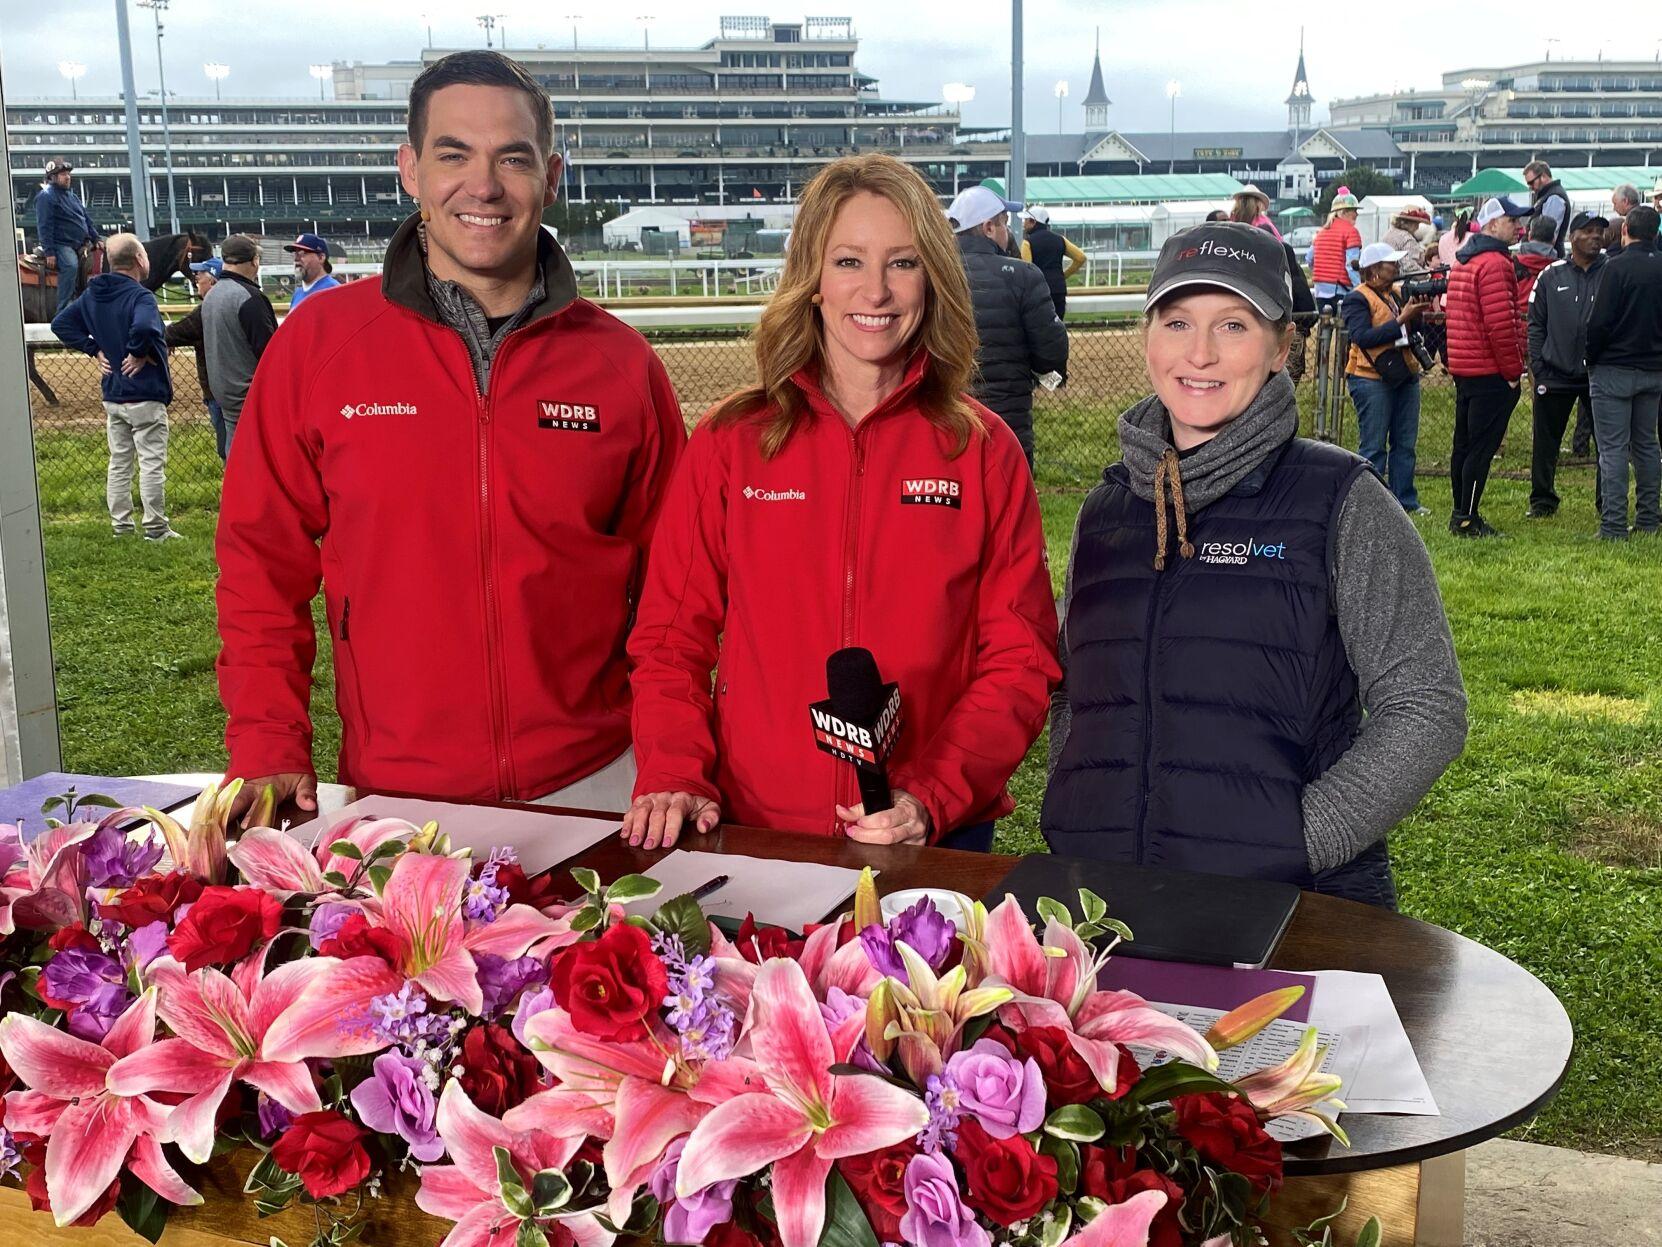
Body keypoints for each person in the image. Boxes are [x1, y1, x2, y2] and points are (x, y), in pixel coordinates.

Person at [216, 49, 686, 821]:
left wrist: (671, 753)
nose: (485, 186)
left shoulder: (620, 364)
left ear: (552, 175)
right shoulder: (321, 345)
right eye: (454, 154)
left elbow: (679, 593)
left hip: (599, 781)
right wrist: (269, 742)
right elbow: (260, 566)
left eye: (513, 158)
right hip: (397, 791)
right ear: (410, 168)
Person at [624, 155, 1059, 853]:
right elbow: (671, 643)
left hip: (932, 831)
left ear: (933, 278)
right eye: (850, 260)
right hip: (758, 825)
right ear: (813, 281)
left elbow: (1021, 658)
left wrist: (932, 794)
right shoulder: (732, 442)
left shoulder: (982, 450)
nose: (877, 292)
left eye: (904, 263)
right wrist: (676, 769)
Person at [1043, 221, 1466, 907]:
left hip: (1291, 906)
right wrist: (1076, 805)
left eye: (1234, 326)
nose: (1200, 353)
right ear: (1147, 338)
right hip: (1110, 903)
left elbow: (1427, 705)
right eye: (1177, 322)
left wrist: (1300, 838)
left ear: (1281, 348)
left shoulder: (1340, 500)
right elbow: (1076, 691)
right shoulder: (1107, 510)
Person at [49, 233, 180, 542]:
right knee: (150, 463)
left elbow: (61, 324)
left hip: (113, 393)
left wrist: (94, 349)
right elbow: (147, 326)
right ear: (139, 260)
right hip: (145, 394)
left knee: (119, 462)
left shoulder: (92, 295)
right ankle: (156, 529)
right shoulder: (141, 296)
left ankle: (121, 526)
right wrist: (137, 351)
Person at [947, 183, 1069, 472]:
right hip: (1008, 420)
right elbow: (1051, 349)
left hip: (946, 417)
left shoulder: (930, 276)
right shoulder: (1023, 275)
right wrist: (1050, 376)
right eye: (1004, 224)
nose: (1008, 232)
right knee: (1012, 506)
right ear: (989, 227)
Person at [1444, 195, 1531, 537]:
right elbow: (1500, 324)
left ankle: (1460, 511)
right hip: (1488, 368)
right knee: (1481, 449)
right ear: (1493, 224)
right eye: (1512, 221)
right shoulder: (1495, 263)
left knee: (1464, 445)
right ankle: (1467, 518)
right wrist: (1512, 373)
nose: (1518, 227)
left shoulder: (1467, 260)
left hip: (1466, 366)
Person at [1584, 204, 1662, 540]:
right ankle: (1648, 517)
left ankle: (1614, 525)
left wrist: (1591, 357)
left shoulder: (1615, 269)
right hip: (1653, 368)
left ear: (1625, 230)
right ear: (1656, 232)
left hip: (1614, 367)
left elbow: (1599, 322)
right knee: (1646, 445)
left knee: (1613, 449)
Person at [1527, 212, 1608, 519]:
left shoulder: (1611, 272)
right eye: (1588, 231)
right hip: (1555, 373)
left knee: (1607, 444)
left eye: (1599, 231)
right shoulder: (1550, 275)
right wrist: (1538, 365)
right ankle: (1542, 500)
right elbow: (1535, 324)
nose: (1596, 236)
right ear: (1572, 237)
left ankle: (1606, 501)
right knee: (1546, 442)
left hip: (1599, 374)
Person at [1342, 242, 1431, 514]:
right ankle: (1372, 505)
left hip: (1403, 372)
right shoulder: (1357, 298)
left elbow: (1411, 329)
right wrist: (1402, 319)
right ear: (1374, 270)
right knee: (1374, 445)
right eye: (1390, 263)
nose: (1396, 267)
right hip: (1370, 379)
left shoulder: (1395, 294)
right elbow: (1363, 337)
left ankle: (1405, 500)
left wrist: (1415, 315)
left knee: (1405, 443)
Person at [200, 235, 278, 454]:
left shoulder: (211, 296)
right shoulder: (250, 298)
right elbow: (270, 353)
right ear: (254, 261)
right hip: (252, 399)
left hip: (225, 397)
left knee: (235, 459)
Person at [164, 256, 230, 461]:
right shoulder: (223, 303)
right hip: (228, 387)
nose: (195, 279)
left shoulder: (206, 309)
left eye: (199, 275)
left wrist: (166, 336)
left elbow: (174, 332)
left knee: (227, 449)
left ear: (212, 281)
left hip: (219, 391)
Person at [34, 158, 102, 319]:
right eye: (63, 174)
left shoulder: (72, 196)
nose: (67, 177)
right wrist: (50, 252)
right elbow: (44, 226)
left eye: (68, 174)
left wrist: (96, 238)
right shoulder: (46, 196)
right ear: (52, 177)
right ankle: (64, 310)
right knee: (71, 266)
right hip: (62, 245)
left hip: (82, 243)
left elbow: (86, 219)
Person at [1019, 205, 1085, 320]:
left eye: (1025, 220)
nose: (1023, 224)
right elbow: (1081, 258)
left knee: (1039, 330)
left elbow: (1027, 271)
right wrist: (1064, 275)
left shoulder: (1027, 243)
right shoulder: (1060, 239)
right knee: (1057, 328)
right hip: (1058, 290)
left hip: (1038, 292)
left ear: (1033, 222)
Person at [1311, 191, 1362, 312]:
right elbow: (1351, 265)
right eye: (1353, 210)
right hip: (1340, 289)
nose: (1357, 214)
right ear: (1343, 212)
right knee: (1343, 328)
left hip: (1319, 290)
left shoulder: (1320, 232)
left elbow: (1309, 259)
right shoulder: (1351, 232)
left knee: (1325, 327)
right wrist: (1359, 288)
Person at [1524, 160, 1571, 257]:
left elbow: (1546, 235)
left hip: (1545, 258)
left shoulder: (1554, 198)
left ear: (1544, 176)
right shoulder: (1548, 196)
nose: (1530, 187)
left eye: (1532, 182)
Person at [283, 233, 341, 312]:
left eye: (302, 253)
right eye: (295, 254)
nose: (296, 259)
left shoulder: (333, 292)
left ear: (321, 258)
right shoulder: (298, 293)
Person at [1514, 215, 1559, 308]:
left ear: (1529, 236)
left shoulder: (1512, 263)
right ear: (1554, 239)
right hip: (1545, 320)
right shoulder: (1559, 269)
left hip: (1518, 318)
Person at [1381, 208, 1430, 273]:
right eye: (1417, 224)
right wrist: (1426, 274)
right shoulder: (1407, 238)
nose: (1417, 228)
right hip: (1399, 280)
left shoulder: (1388, 233)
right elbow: (1410, 266)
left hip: (1383, 276)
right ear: (1410, 223)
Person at [1605, 184, 1640, 256]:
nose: (1614, 208)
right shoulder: (1649, 218)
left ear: (1625, 201)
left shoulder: (1620, 224)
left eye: (1615, 203)